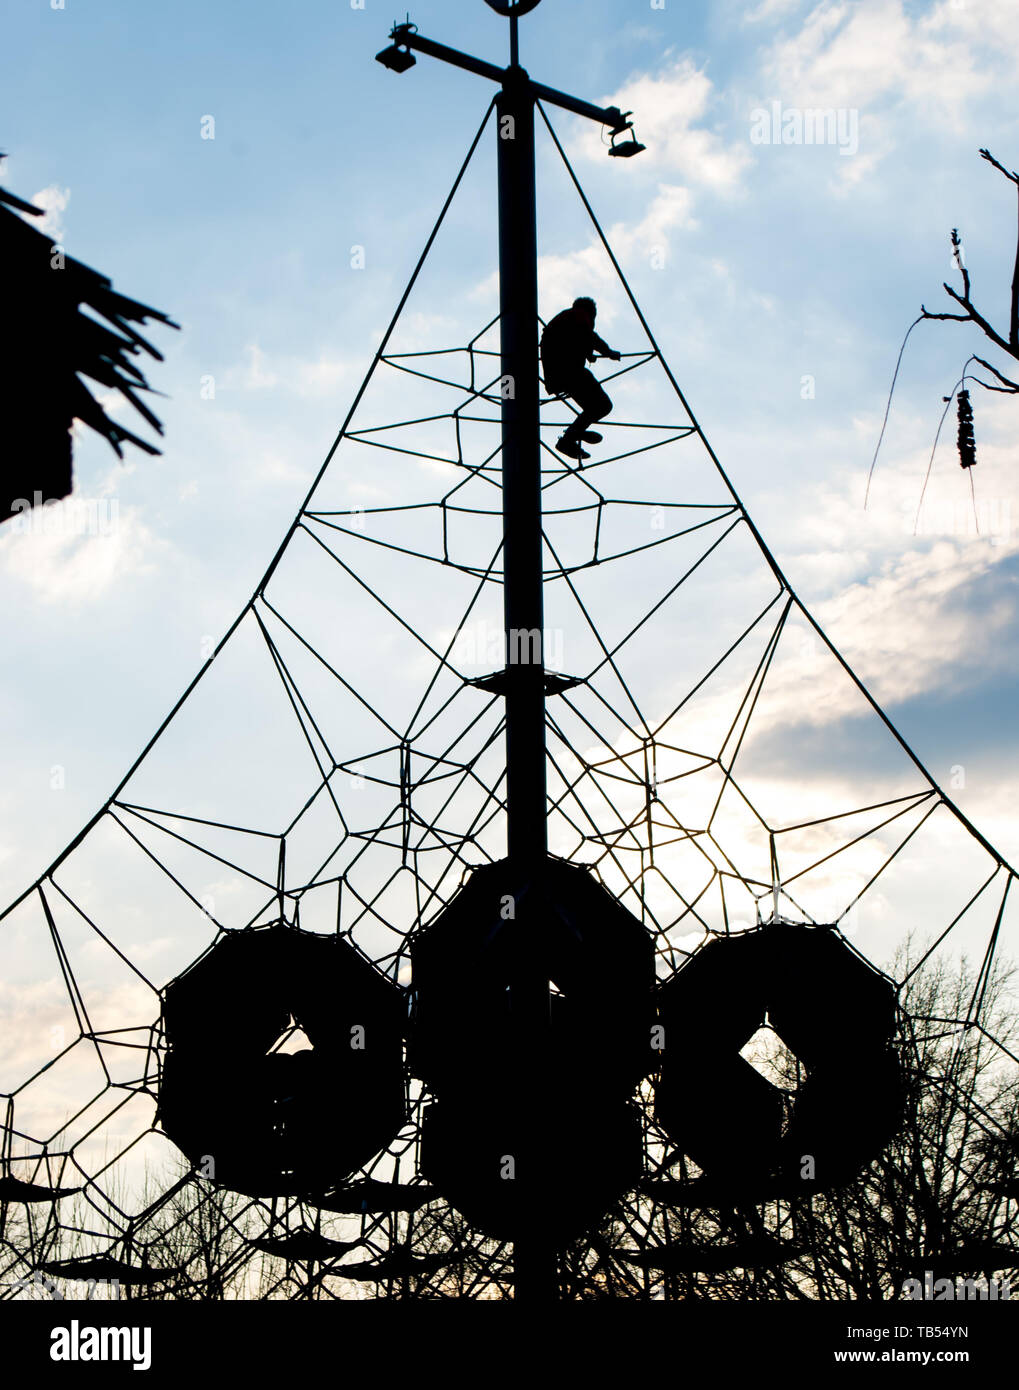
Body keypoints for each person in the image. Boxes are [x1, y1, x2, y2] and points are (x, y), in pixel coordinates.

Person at [540, 296, 621, 460]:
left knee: (593, 408)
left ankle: (573, 434)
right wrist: (609, 352)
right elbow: (588, 335)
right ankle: (572, 435)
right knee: (603, 406)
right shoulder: (579, 314)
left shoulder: (564, 319)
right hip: (571, 372)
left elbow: (569, 339)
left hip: (557, 377)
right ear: (591, 313)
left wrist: (586, 352)